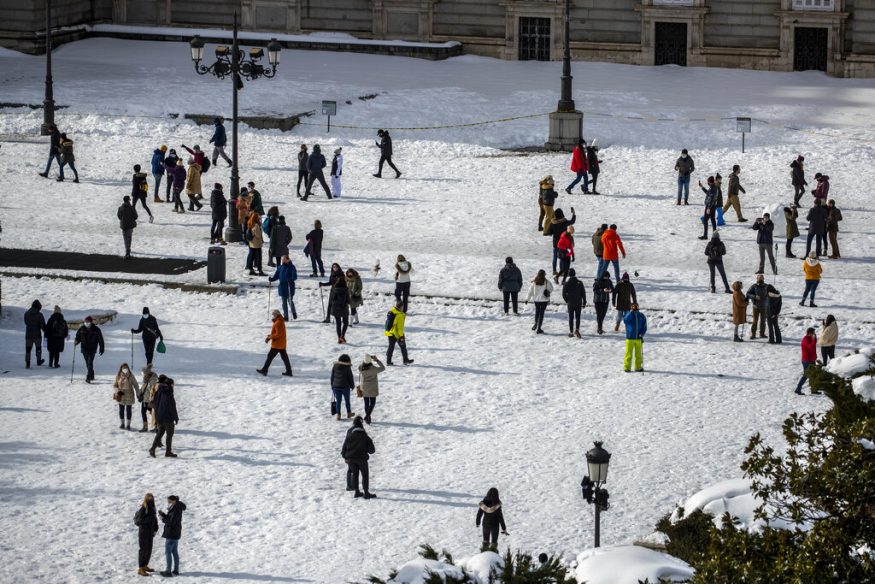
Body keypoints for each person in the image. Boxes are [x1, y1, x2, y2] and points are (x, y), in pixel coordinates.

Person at [341, 416, 376, 498]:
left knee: (355, 474)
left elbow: (343, 449)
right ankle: (366, 492)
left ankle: (357, 492)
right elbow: (372, 450)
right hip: (362, 459)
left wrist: (345, 457)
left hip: (351, 459)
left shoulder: (349, 436)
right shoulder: (365, 437)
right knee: (365, 475)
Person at [257, 310, 293, 377]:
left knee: (270, 357)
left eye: (274, 314)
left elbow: (278, 334)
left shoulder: (278, 322)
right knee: (285, 358)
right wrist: (270, 336)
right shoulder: (280, 321)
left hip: (277, 344)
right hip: (281, 343)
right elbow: (278, 333)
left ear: (277, 315)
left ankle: (264, 370)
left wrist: (269, 337)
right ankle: (289, 371)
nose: (273, 315)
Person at [150, 377, 179, 458]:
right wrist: (176, 418)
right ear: (170, 385)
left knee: (160, 432)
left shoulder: (158, 391)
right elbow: (172, 407)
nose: (173, 386)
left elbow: (155, 403)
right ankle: (168, 452)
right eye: (173, 384)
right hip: (167, 418)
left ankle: (152, 448)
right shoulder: (169, 393)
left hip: (159, 416)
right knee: (169, 434)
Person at [158, 495, 186, 577]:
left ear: (173, 500)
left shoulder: (176, 509)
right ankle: (176, 570)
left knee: (168, 552)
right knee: (174, 552)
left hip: (171, 534)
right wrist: (163, 514)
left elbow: (171, 522)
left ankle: (168, 571)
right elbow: (171, 519)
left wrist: (162, 519)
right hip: (175, 533)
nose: (168, 502)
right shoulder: (177, 507)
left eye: (169, 500)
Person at [134, 493, 159, 577]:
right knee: (143, 549)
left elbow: (154, 519)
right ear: (146, 498)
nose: (151, 499)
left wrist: (156, 528)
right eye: (149, 498)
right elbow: (139, 521)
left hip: (150, 532)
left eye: (152, 497)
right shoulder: (144, 508)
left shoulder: (152, 508)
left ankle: (145, 565)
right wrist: (149, 519)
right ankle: (140, 568)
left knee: (149, 549)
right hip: (143, 532)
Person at [547, 207, 576, 279]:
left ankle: (554, 270)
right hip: (563, 244)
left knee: (555, 257)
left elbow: (549, 232)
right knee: (562, 258)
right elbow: (572, 221)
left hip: (555, 243)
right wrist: (574, 214)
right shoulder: (564, 222)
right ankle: (562, 271)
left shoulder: (552, 223)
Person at [746, 273, 777, 340]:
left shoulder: (766, 286)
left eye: (762, 278)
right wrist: (754, 296)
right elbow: (748, 293)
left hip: (764, 307)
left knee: (763, 321)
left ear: (763, 279)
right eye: (759, 278)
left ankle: (762, 334)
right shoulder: (754, 286)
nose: (761, 279)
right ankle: (753, 334)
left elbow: (774, 292)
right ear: (757, 279)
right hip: (756, 307)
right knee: (755, 321)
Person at [476, 487, 508, 552]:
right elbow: (500, 517)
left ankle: (484, 554)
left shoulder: (484, 503)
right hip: (495, 526)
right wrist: (503, 528)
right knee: (494, 543)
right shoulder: (497, 504)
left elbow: (479, 514)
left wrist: (478, 522)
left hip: (485, 524)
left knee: (485, 541)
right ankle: (493, 556)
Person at [74, 316, 104, 383]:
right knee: (88, 363)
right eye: (85, 321)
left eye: (88, 321)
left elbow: (100, 340)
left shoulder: (96, 329)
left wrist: (102, 348)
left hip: (92, 349)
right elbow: (78, 337)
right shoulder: (81, 329)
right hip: (84, 348)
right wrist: (76, 341)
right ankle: (92, 375)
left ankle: (88, 377)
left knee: (90, 362)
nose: (86, 323)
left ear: (91, 322)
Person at [358, 354, 385, 424]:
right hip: (373, 388)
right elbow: (383, 368)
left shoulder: (361, 368)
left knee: (366, 403)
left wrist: (366, 359)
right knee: (372, 403)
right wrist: (377, 360)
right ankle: (367, 416)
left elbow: (361, 365)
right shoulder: (374, 369)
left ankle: (368, 418)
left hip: (364, 387)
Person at [385, 300, 413, 365]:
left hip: (390, 332)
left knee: (391, 347)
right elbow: (400, 328)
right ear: (401, 307)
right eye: (403, 307)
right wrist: (401, 336)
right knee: (403, 346)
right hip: (396, 334)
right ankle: (405, 360)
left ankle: (388, 361)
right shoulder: (400, 315)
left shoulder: (392, 311)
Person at [525, 269, 553, 334]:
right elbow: (551, 289)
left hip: (536, 300)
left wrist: (527, 299)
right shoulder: (546, 282)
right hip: (544, 300)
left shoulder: (534, 282)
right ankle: (539, 328)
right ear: (544, 275)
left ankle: (535, 324)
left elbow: (530, 292)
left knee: (537, 311)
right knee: (541, 313)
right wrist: (547, 291)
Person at [270, 255, 298, 321]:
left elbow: (295, 277)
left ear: (288, 260)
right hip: (282, 287)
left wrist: (290, 279)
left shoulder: (292, 267)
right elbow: (276, 276)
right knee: (284, 303)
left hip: (289, 287)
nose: (282, 261)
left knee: (290, 301)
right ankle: (286, 316)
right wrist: (272, 279)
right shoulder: (280, 267)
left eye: (284, 259)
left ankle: (293, 312)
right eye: (282, 259)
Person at [113, 363, 139, 430]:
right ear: (121, 368)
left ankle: (128, 425)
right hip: (121, 396)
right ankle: (122, 423)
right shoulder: (118, 376)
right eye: (124, 368)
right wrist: (117, 391)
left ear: (128, 368)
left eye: (126, 368)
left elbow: (136, 385)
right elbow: (115, 385)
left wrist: (138, 393)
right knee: (121, 410)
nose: (125, 369)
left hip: (129, 395)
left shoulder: (131, 376)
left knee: (128, 410)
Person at [562, 268, 586, 338]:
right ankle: (577, 329)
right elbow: (583, 293)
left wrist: (567, 300)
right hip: (578, 302)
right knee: (578, 317)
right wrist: (584, 302)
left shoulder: (566, 283)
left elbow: (563, 294)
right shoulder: (580, 282)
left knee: (571, 317)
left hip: (570, 302)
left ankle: (571, 332)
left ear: (569, 275)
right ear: (575, 274)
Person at [623, 303, 647, 372]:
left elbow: (644, 326)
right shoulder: (629, 314)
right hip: (630, 338)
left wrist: (642, 334)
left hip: (638, 338)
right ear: (631, 307)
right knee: (628, 354)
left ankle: (638, 367)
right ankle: (627, 367)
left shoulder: (641, 316)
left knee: (638, 354)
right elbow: (625, 321)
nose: (635, 307)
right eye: (633, 306)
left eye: (636, 306)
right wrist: (631, 313)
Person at [24, 299, 46, 368]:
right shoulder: (39, 315)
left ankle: (28, 363)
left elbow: (26, 322)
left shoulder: (26, 313)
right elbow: (42, 325)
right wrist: (46, 331)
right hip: (37, 335)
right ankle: (38, 361)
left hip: (28, 335)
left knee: (28, 349)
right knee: (38, 349)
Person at [331, 354, 355, 419]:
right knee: (347, 401)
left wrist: (332, 386)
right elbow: (350, 377)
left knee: (338, 401)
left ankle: (338, 415)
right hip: (345, 386)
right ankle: (349, 413)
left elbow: (332, 376)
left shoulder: (335, 366)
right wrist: (352, 385)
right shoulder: (347, 367)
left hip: (336, 386)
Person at [795, 328, 818, 395]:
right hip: (806, 360)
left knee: (813, 375)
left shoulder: (811, 339)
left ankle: (813, 389)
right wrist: (814, 340)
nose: (814, 334)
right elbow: (811, 347)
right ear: (809, 333)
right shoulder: (806, 339)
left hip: (811, 360)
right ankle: (798, 389)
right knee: (806, 375)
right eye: (813, 333)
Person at [137, 364, 158, 433]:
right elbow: (143, 388)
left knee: (153, 413)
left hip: (150, 400)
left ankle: (157, 426)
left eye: (143, 373)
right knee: (143, 412)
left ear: (147, 373)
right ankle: (145, 427)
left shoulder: (153, 380)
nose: (142, 375)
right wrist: (139, 394)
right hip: (145, 400)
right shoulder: (146, 379)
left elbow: (151, 390)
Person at [330, 276, 351, 343]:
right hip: (344, 308)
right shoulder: (346, 290)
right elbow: (348, 301)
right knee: (345, 322)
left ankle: (339, 338)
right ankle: (342, 336)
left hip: (335, 308)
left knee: (338, 323)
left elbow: (331, 299)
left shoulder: (334, 289)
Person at [117, 195, 138, 260]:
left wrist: (123, 219)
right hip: (130, 225)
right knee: (129, 237)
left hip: (124, 225)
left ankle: (127, 250)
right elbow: (136, 216)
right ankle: (128, 250)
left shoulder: (120, 208)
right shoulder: (132, 208)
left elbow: (119, 216)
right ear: (128, 200)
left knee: (125, 238)